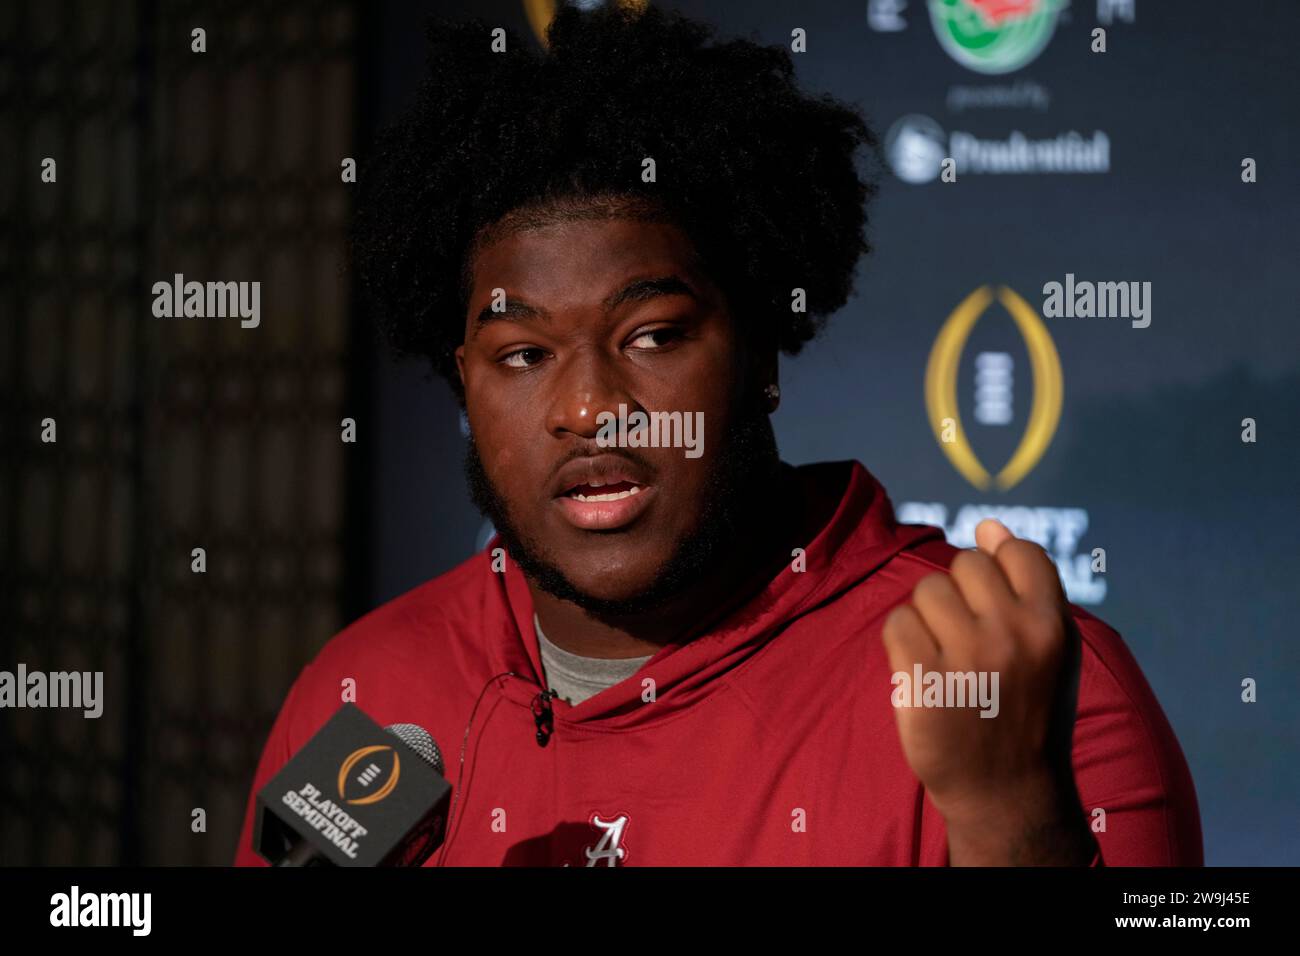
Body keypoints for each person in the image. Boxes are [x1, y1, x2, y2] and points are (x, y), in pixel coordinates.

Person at [235, 4, 1200, 866]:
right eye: (523, 354)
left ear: (763, 354)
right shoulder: (363, 689)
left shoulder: (1023, 698)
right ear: (462, 380)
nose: (589, 407)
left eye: (653, 336)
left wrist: (1012, 822)